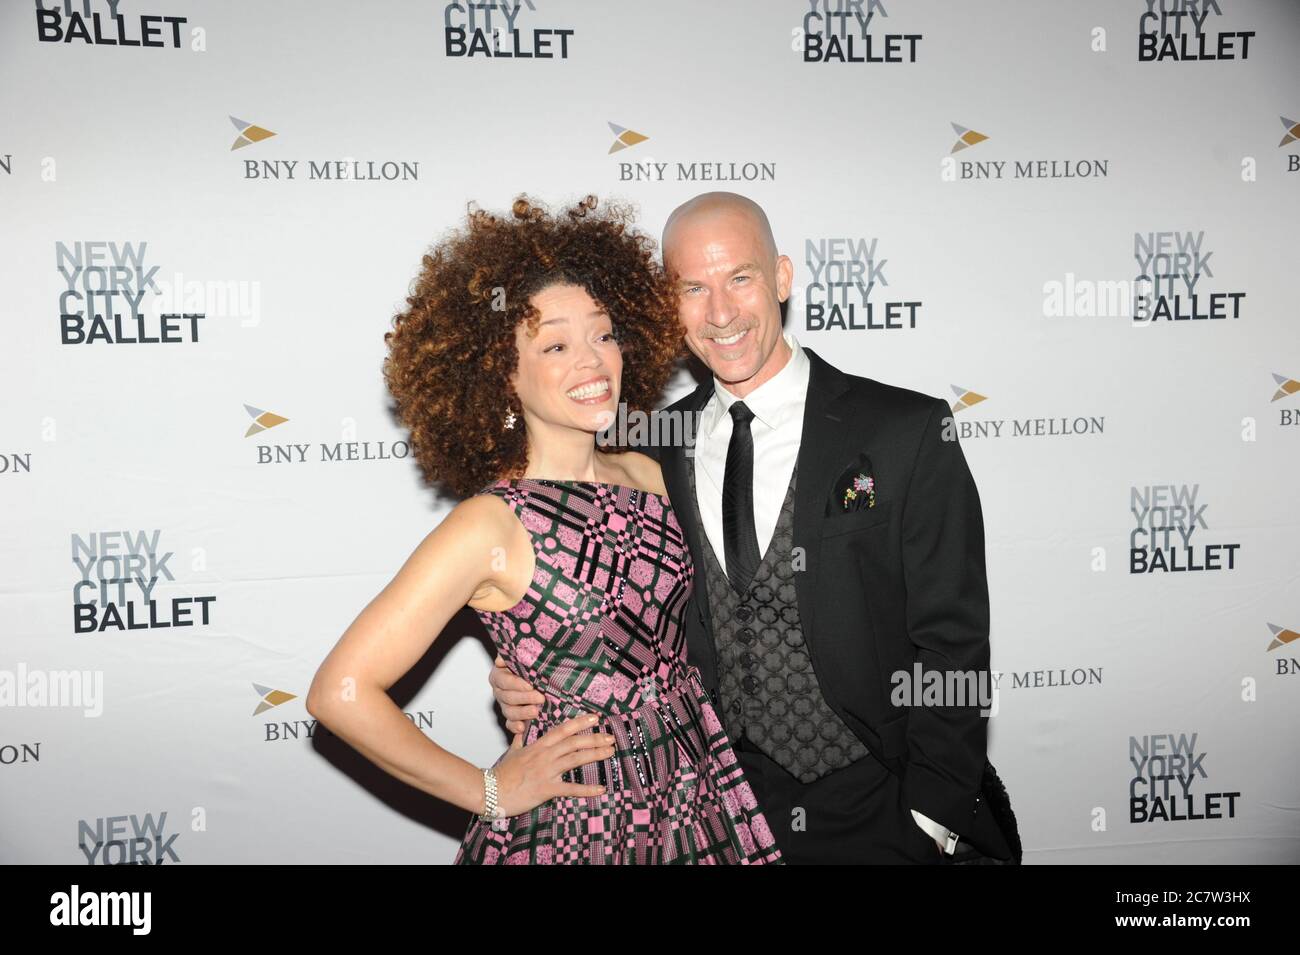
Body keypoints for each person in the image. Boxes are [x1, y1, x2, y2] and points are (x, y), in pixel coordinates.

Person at [491, 191, 1021, 864]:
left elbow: (955, 642)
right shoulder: (648, 452)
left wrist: (930, 820)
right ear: (667, 302)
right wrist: (525, 670)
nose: (720, 312)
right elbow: (601, 602)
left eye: (739, 277)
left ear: (782, 277)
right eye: (693, 287)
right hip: (707, 809)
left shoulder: (904, 432)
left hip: (878, 804)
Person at [307, 194, 782, 865]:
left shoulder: (649, 473)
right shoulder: (490, 524)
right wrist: (489, 790)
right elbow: (341, 691)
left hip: (698, 792)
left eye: (603, 332)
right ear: (503, 373)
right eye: (555, 343)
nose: (591, 361)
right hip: (581, 817)